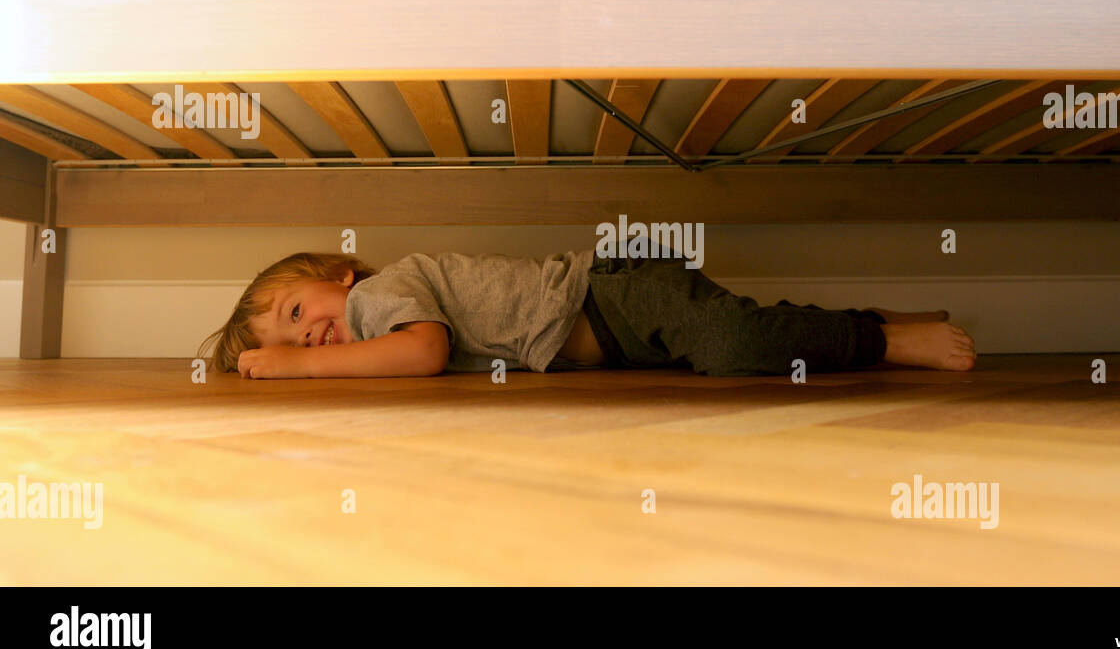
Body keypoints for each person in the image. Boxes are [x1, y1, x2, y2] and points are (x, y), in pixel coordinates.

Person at [198, 247, 976, 379]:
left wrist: (299, 364)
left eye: (297, 309)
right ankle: (862, 317)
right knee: (743, 335)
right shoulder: (368, 331)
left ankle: (881, 339)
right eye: (289, 334)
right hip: (612, 339)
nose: (305, 333)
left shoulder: (381, 296)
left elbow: (425, 351)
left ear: (340, 276)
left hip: (615, 294)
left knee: (735, 341)